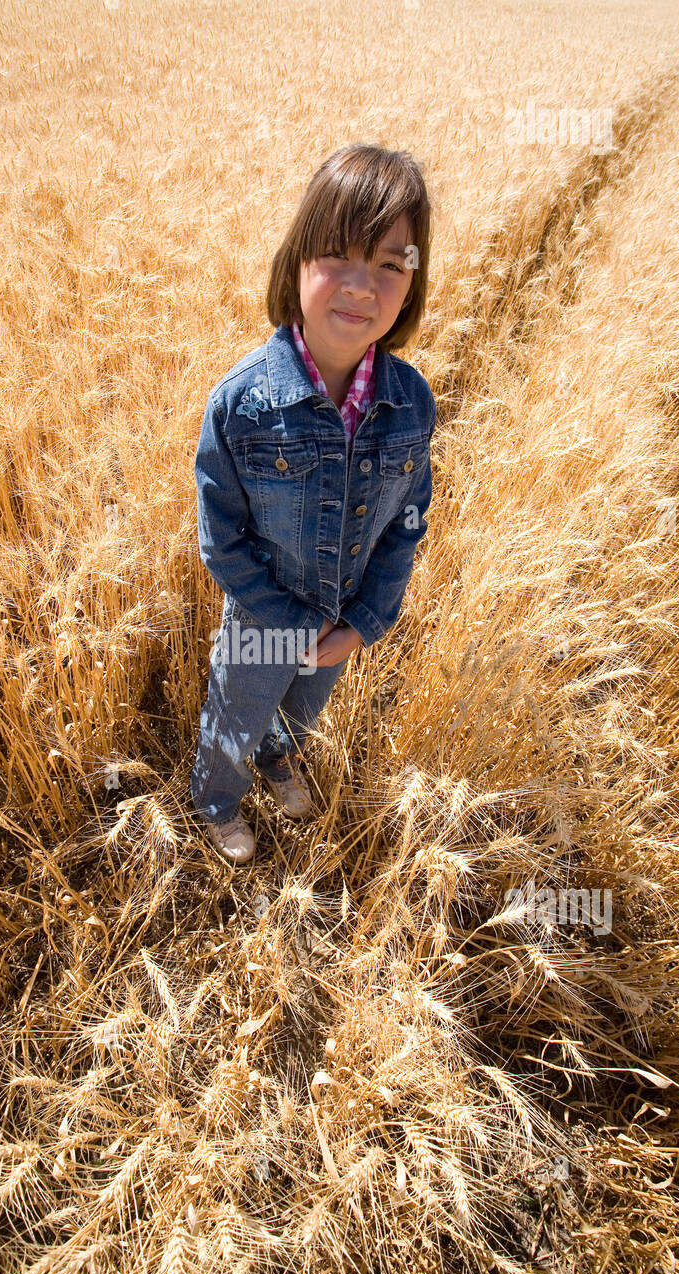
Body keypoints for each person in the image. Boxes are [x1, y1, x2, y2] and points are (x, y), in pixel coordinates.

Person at [189, 143, 437, 865]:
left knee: (299, 712)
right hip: (264, 617)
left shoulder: (410, 402)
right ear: (295, 263)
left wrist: (364, 622)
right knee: (237, 714)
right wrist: (285, 620)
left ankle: (278, 762)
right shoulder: (241, 404)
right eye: (338, 256)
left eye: (391, 264)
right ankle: (217, 799)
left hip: (341, 621)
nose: (363, 286)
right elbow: (221, 536)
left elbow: (405, 524)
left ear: (411, 285)